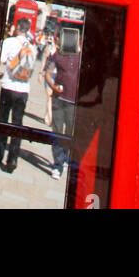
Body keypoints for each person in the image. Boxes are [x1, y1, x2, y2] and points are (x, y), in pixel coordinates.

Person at [0, 17, 37, 172]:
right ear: (28, 29)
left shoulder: (9, 42)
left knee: (3, 119)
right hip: (23, 90)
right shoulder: (32, 46)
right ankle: (13, 159)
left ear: (17, 27)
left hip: (8, 86)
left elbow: (2, 60)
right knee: (17, 124)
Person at [45, 33, 80, 179]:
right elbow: (48, 73)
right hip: (59, 99)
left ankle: (64, 157)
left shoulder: (81, 57)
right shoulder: (57, 55)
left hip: (74, 103)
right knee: (58, 131)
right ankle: (58, 165)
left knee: (70, 133)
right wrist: (53, 86)